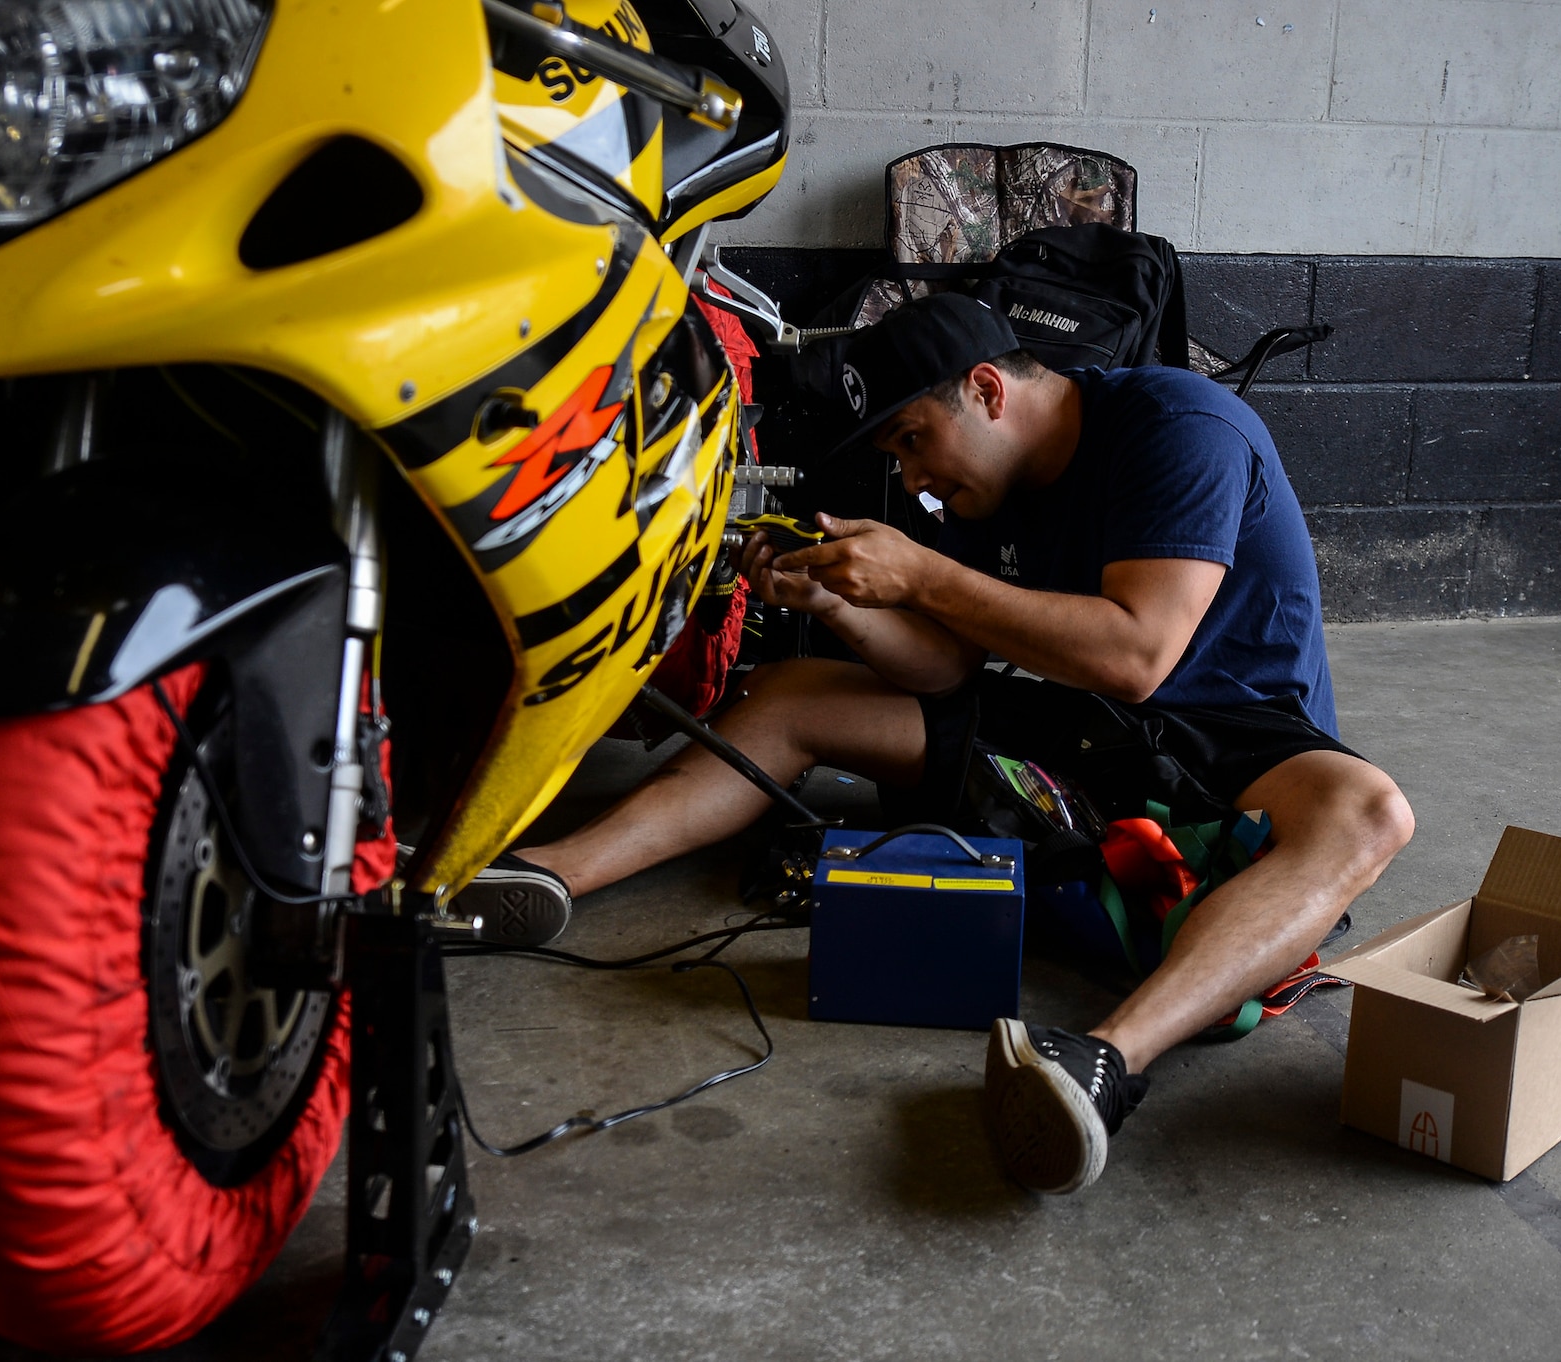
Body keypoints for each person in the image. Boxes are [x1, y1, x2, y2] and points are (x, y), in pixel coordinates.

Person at [454, 293, 1414, 1195]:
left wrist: (917, 575)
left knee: (1368, 812)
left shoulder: (1178, 427)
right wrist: (838, 599)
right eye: (899, 460)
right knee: (791, 692)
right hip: (1073, 733)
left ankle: (1102, 1061)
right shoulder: (984, 493)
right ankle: (546, 876)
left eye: (915, 442)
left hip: (1228, 734)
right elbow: (949, 671)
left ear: (989, 392)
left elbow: (1136, 656)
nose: (914, 482)